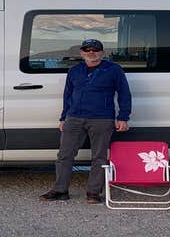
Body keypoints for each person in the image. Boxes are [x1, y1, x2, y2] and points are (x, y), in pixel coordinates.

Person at [39, 38, 131, 204]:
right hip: (74, 118)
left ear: (102, 53)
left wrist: (123, 117)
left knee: (99, 157)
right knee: (64, 155)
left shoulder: (113, 70)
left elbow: (124, 93)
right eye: (87, 50)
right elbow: (68, 95)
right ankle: (60, 190)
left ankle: (93, 193)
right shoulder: (75, 70)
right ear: (82, 53)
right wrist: (63, 117)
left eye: (95, 50)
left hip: (102, 118)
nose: (91, 53)